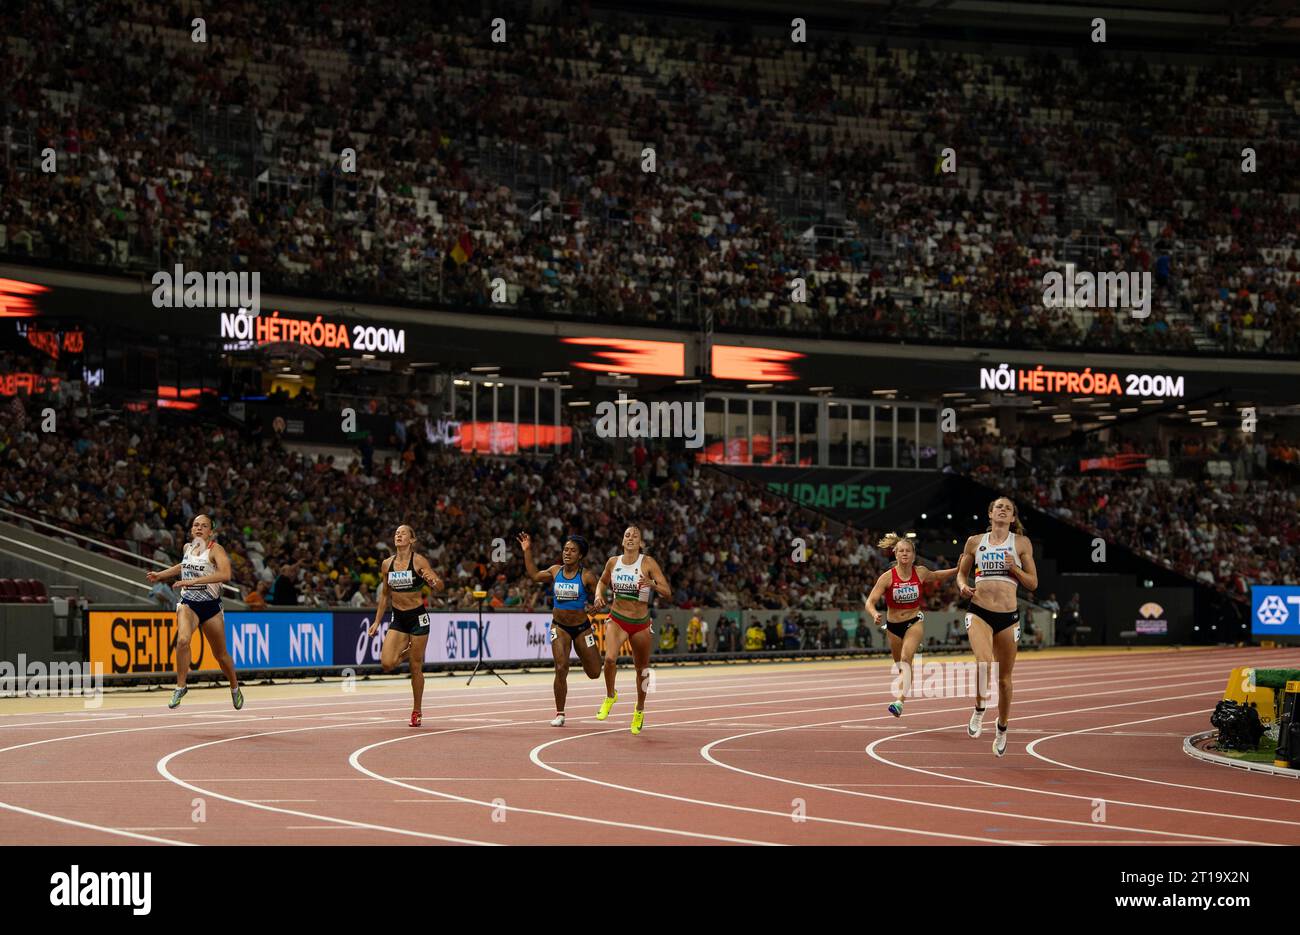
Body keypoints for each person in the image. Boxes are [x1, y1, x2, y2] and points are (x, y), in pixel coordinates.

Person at [956, 497, 1038, 757]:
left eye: (1008, 508)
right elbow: (961, 573)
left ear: (1013, 518)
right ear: (990, 513)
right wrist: (962, 586)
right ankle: (979, 708)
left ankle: (1002, 728)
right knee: (982, 663)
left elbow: (1033, 583)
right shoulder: (974, 541)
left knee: (1004, 681)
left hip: (1008, 617)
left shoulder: (1021, 543)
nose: (1002, 510)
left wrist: (1014, 568)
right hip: (979, 611)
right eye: (998, 507)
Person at [146, 515, 243, 710]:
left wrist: (193, 581)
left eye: (204, 526)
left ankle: (234, 687)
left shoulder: (216, 550)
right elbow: (183, 566)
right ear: (191, 530)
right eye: (196, 525)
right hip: (188, 603)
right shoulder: (187, 548)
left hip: (211, 607)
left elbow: (225, 575)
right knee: (182, 640)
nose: (199, 528)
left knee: (221, 655)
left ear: (211, 532)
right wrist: (161, 574)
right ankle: (180, 686)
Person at [864, 533, 959, 717]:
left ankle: (899, 702)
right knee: (901, 667)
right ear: (896, 554)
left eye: (908, 551)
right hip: (893, 626)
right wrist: (875, 613)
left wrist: (956, 569)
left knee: (907, 659)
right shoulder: (887, 577)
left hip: (914, 621)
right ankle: (904, 686)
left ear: (914, 555)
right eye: (901, 551)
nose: (905, 553)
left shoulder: (920, 572)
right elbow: (870, 602)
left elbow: (936, 575)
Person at [591, 525, 671, 735]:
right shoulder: (613, 562)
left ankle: (640, 709)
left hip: (641, 623)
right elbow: (601, 581)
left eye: (635, 535)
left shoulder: (648, 562)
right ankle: (610, 695)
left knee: (642, 670)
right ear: (622, 541)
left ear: (640, 542)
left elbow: (667, 592)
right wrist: (598, 595)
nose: (630, 538)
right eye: (627, 535)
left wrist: (651, 583)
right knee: (609, 659)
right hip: (617, 619)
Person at [519, 532, 602, 727]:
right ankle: (560, 713)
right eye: (566, 549)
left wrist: (596, 606)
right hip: (560, 627)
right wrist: (527, 550)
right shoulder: (555, 571)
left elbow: (600, 597)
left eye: (573, 551)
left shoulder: (587, 576)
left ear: (580, 555)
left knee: (595, 672)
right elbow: (533, 575)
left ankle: (584, 656)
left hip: (582, 628)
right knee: (560, 667)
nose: (567, 553)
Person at [366, 525, 444, 727]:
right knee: (387, 663)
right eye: (396, 533)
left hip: (418, 618)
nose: (398, 535)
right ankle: (412, 651)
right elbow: (384, 595)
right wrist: (376, 621)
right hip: (399, 618)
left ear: (412, 540)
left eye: (403, 533)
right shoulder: (387, 564)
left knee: (415, 667)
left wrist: (433, 581)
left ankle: (417, 710)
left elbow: (440, 585)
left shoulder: (418, 560)